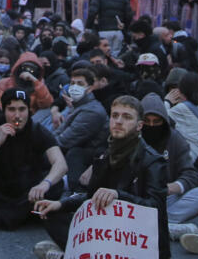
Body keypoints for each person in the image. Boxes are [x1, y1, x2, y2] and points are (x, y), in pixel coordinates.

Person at [32, 94, 171, 259]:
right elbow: (92, 197)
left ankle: (69, 252)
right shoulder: (106, 154)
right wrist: (60, 204)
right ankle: (74, 250)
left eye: (126, 117)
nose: (118, 121)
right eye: (115, 115)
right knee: (50, 213)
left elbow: (155, 207)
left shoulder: (153, 160)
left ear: (139, 125)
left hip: (137, 236)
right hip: (108, 228)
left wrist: (118, 196)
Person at [0, 89, 67, 233]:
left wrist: (45, 184)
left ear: (29, 110)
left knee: (56, 185)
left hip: (28, 187)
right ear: (4, 111)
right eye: (11, 109)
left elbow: (61, 164)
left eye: (22, 109)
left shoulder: (37, 130)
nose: (17, 115)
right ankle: (25, 212)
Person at [142, 93, 198, 240]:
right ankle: (162, 227)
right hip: (137, 198)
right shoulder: (133, 138)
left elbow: (191, 174)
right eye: (147, 121)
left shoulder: (175, 139)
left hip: (165, 198)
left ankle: (158, 224)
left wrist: (172, 187)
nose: (151, 126)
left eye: (156, 121)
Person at [52, 66, 109, 187]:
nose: (74, 87)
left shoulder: (92, 112)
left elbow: (65, 140)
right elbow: (59, 132)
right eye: (72, 83)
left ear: (89, 88)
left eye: (80, 83)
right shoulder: (78, 106)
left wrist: (45, 146)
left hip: (82, 158)